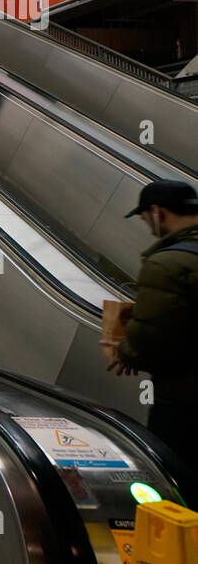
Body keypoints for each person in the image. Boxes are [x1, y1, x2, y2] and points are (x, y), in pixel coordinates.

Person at [103, 180, 198, 471]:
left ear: (157, 211)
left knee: (177, 477)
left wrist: (126, 351)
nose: (148, 226)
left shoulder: (167, 263)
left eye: (145, 218)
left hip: (185, 401)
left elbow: (152, 336)